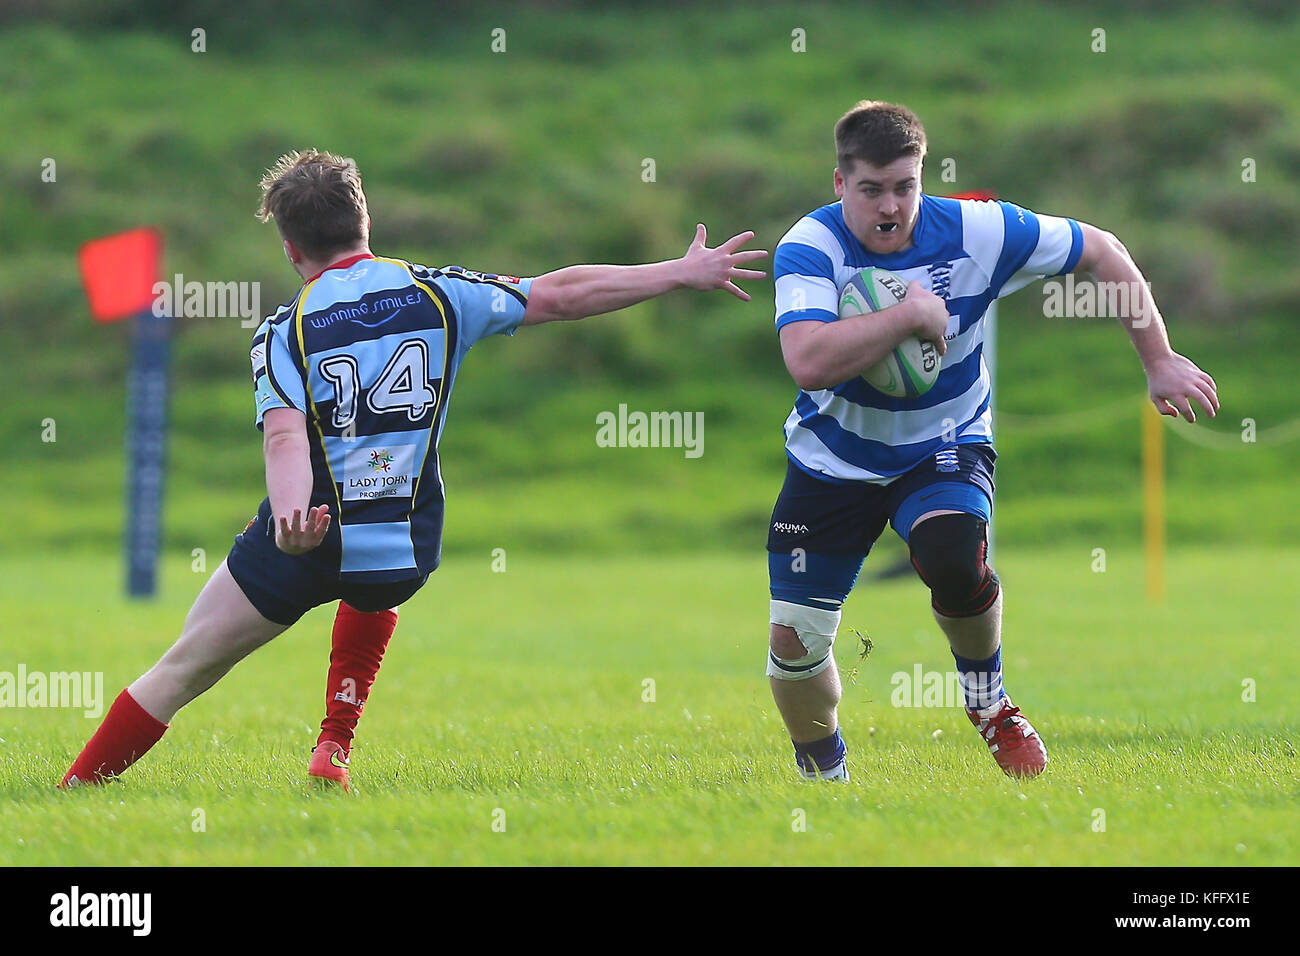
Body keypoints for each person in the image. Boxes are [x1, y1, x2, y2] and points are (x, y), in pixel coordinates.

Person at [61, 148, 766, 789]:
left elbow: (284, 441)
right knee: (372, 586)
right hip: (405, 546)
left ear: (288, 247)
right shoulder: (438, 293)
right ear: (364, 219)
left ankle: (75, 791)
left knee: (183, 666)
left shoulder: (286, 329)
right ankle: (332, 745)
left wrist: (288, 521)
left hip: (310, 535)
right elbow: (562, 293)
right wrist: (678, 271)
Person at [766, 101, 1218, 781]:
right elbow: (808, 362)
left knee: (954, 554)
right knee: (794, 648)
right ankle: (823, 770)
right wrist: (910, 314)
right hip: (834, 458)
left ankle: (988, 702)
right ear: (839, 184)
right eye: (870, 190)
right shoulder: (812, 246)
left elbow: (1103, 250)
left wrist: (1159, 358)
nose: (890, 207)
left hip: (942, 440)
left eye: (904, 187)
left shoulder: (978, 230)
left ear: (923, 177)